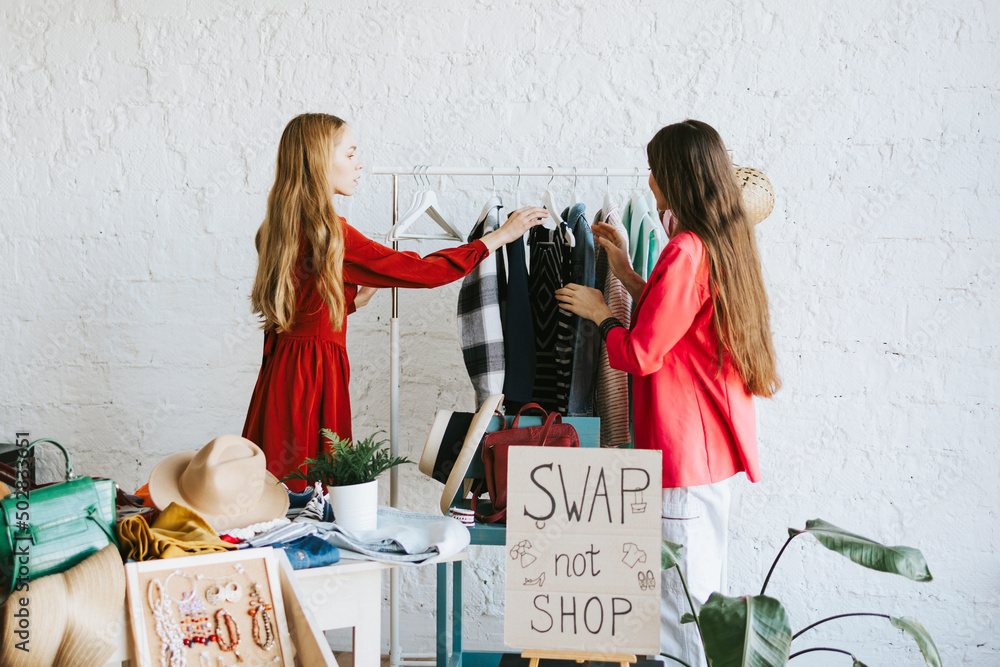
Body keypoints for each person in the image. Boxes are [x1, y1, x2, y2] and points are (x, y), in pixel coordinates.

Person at [555, 120, 780, 665]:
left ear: (676, 175)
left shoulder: (684, 248)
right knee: (703, 601)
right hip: (712, 450)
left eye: (656, 170)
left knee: (679, 613)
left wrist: (601, 313)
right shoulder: (720, 243)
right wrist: (627, 274)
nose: (649, 182)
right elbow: (681, 323)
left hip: (681, 454)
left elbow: (640, 352)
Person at [243, 113, 546, 492]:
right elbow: (421, 272)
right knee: (312, 483)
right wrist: (496, 238)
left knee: (278, 482)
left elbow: (297, 304)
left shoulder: (277, 227)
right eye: (351, 154)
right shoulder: (330, 232)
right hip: (314, 373)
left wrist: (351, 300)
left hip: (280, 371)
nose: (360, 164)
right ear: (321, 160)